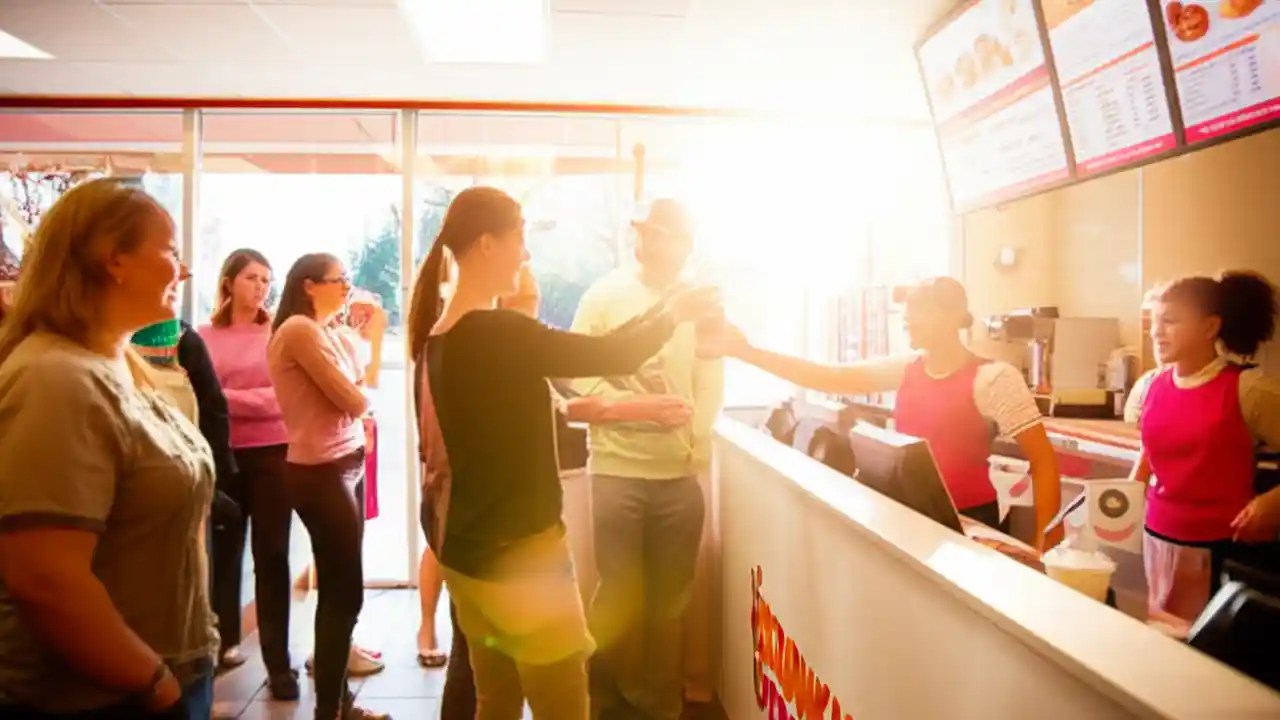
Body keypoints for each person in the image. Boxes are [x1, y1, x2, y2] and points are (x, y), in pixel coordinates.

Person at [411, 186, 719, 720]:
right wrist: (674, 312)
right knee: (563, 706)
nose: (525, 254)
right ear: (487, 244)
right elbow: (609, 354)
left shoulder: (438, 337)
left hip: (466, 557)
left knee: (496, 703)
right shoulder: (498, 331)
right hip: (524, 558)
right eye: (520, 239)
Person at [0, 178, 218, 717]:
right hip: (102, 696)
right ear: (113, 259)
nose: (182, 270)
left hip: (161, 672)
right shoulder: (56, 377)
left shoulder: (121, 364)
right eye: (170, 252)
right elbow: (45, 576)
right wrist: (154, 683)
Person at [709, 276, 1063, 545]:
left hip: (969, 529)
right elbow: (830, 377)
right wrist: (747, 352)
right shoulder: (907, 368)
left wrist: (1045, 548)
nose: (906, 320)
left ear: (951, 317)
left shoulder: (994, 378)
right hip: (909, 522)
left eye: (917, 311)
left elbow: (1044, 461)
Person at [569, 199, 723, 720]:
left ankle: (660, 707)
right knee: (617, 600)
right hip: (616, 471)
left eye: (675, 238)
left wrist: (693, 440)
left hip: (679, 480)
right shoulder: (604, 296)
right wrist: (626, 410)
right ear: (639, 238)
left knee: (670, 606)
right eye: (652, 235)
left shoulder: (698, 303)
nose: (663, 247)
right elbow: (575, 374)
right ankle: (606, 703)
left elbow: (710, 376)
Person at [267, 253, 387, 720]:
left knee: (342, 590)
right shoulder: (298, 332)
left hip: (346, 463)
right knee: (344, 593)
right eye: (340, 281)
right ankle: (329, 710)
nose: (348, 288)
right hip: (321, 471)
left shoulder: (327, 331)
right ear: (309, 285)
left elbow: (359, 366)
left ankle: (337, 703)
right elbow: (355, 396)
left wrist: (362, 334)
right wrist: (365, 387)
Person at [1125, 272, 1280, 625]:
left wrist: (1272, 502)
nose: (1157, 332)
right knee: (1161, 642)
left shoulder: (1247, 389)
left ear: (1210, 327)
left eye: (1171, 321)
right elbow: (1151, 450)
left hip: (1219, 546)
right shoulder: (1151, 384)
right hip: (1157, 538)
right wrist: (1122, 501)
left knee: (1207, 654)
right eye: (1155, 322)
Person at [198, 249, 301, 700]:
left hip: (275, 454)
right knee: (222, 554)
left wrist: (226, 399)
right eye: (252, 277)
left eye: (266, 279)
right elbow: (200, 397)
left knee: (273, 555)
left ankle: (279, 666)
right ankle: (220, 649)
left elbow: (282, 396)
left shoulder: (277, 332)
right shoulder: (203, 336)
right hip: (223, 456)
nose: (261, 287)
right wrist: (236, 399)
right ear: (229, 282)